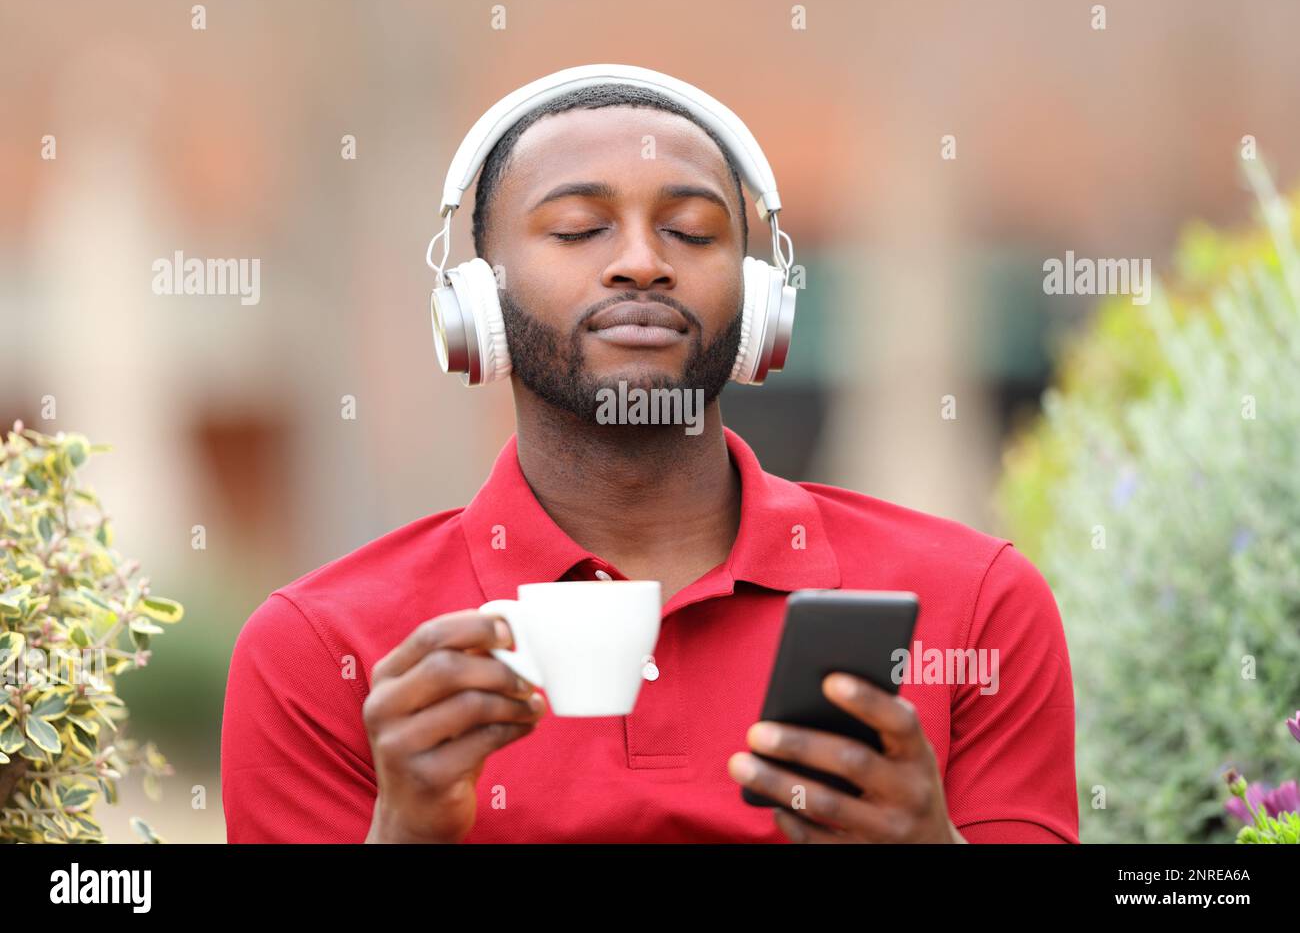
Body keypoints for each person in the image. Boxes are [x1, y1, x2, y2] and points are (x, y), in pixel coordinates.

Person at [220, 76, 1079, 844]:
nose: (641, 262)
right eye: (579, 228)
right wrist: (407, 833)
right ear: (475, 302)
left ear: (761, 308)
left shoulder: (977, 603)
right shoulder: (317, 648)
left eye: (691, 231)